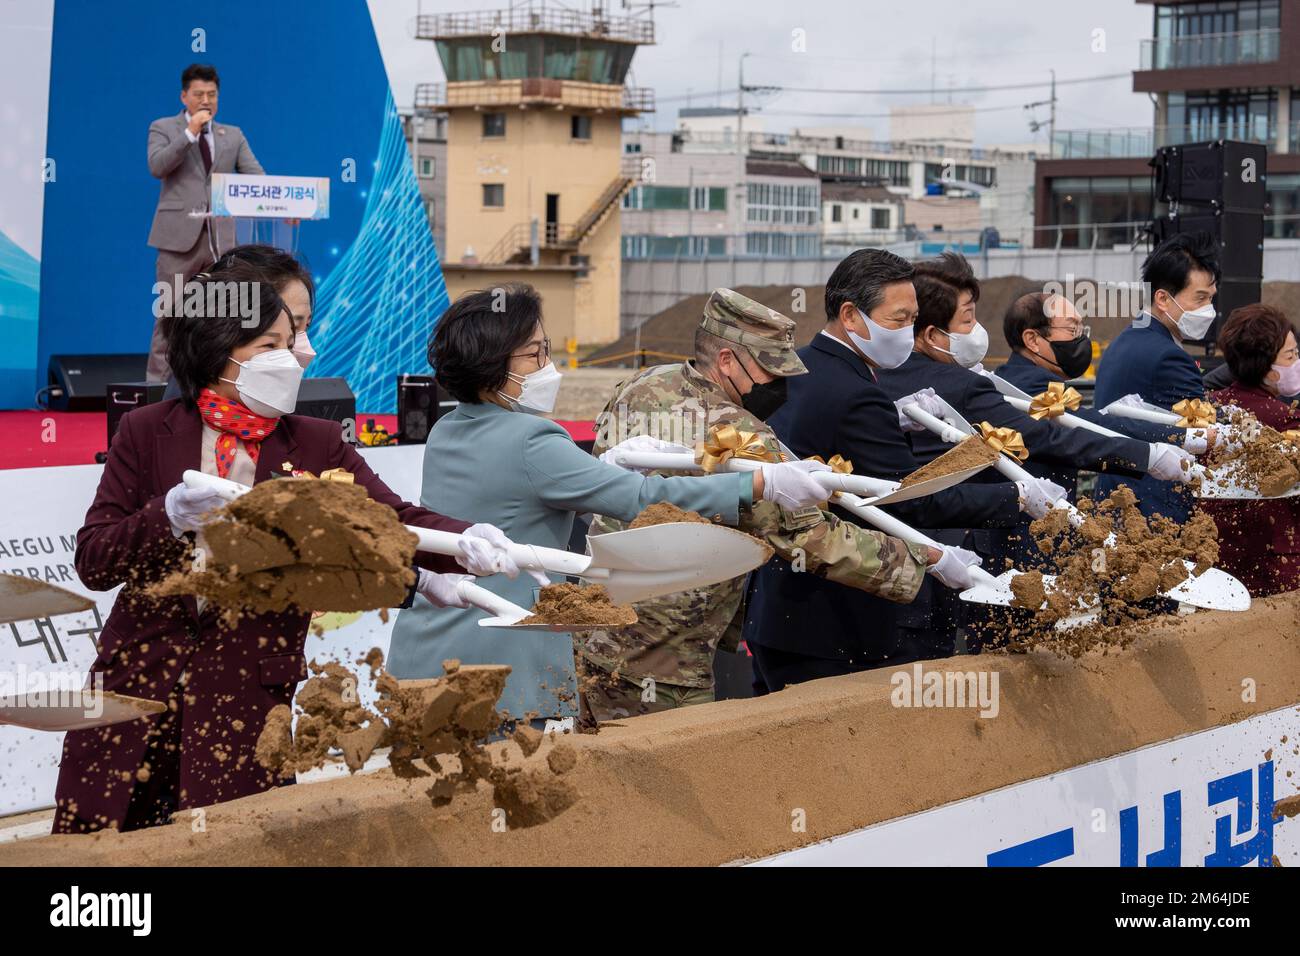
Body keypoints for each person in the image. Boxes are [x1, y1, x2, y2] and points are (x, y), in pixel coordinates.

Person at [53, 261, 526, 834]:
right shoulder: (147, 430)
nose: (292, 356)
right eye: (269, 344)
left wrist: (461, 540)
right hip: (135, 694)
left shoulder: (316, 442)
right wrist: (167, 517)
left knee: (234, 845)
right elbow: (95, 560)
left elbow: (391, 518)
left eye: (290, 339)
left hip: (246, 700)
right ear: (217, 351)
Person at [386, 284, 834, 722]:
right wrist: (759, 483)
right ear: (492, 365)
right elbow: (642, 499)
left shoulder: (448, 429)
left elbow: (523, 496)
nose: (549, 366)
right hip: (503, 674)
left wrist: (607, 470)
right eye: (536, 354)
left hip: (424, 661)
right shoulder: (532, 439)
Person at [583, 289, 956, 720]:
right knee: (665, 772)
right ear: (727, 361)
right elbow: (808, 535)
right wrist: (924, 559)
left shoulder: (643, 385)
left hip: (596, 627)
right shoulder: (739, 431)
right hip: (665, 652)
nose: (778, 386)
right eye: (768, 371)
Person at [744, 249, 1038, 692]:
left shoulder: (798, 368)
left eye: (913, 319)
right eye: (898, 320)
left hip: (777, 611)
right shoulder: (859, 396)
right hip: (835, 621)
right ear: (851, 315)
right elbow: (911, 500)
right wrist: (1018, 499)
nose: (908, 333)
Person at [147, 63, 264, 383]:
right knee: (169, 316)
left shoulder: (233, 135)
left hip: (222, 240)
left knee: (226, 316)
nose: (206, 100)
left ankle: (220, 387)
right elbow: (158, 166)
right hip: (177, 239)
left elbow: (257, 177)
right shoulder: (163, 127)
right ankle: (156, 393)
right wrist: (190, 134)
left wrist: (281, 201)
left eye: (212, 94)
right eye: (198, 94)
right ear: (184, 96)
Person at [1094, 233, 1220, 520]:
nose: (1208, 310)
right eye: (1199, 298)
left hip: (1116, 500)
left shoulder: (1125, 340)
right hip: (1154, 510)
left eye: (1211, 298)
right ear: (1162, 298)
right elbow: (1206, 429)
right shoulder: (1169, 357)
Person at [1200, 304, 1300, 595]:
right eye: (1291, 356)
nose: (1297, 362)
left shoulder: (1211, 407)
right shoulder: (1283, 420)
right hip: (1274, 559)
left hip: (1218, 556)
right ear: (1266, 366)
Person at [161, 244, 315, 402]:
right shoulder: (158, 422)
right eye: (292, 326)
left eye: (306, 327)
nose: (304, 348)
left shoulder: (299, 417)